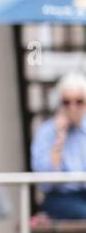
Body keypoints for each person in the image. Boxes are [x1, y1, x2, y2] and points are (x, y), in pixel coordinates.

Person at [31, 71, 86, 220]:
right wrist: (59, 139)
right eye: (66, 102)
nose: (73, 107)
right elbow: (46, 183)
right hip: (59, 198)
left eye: (79, 101)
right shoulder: (46, 133)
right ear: (59, 103)